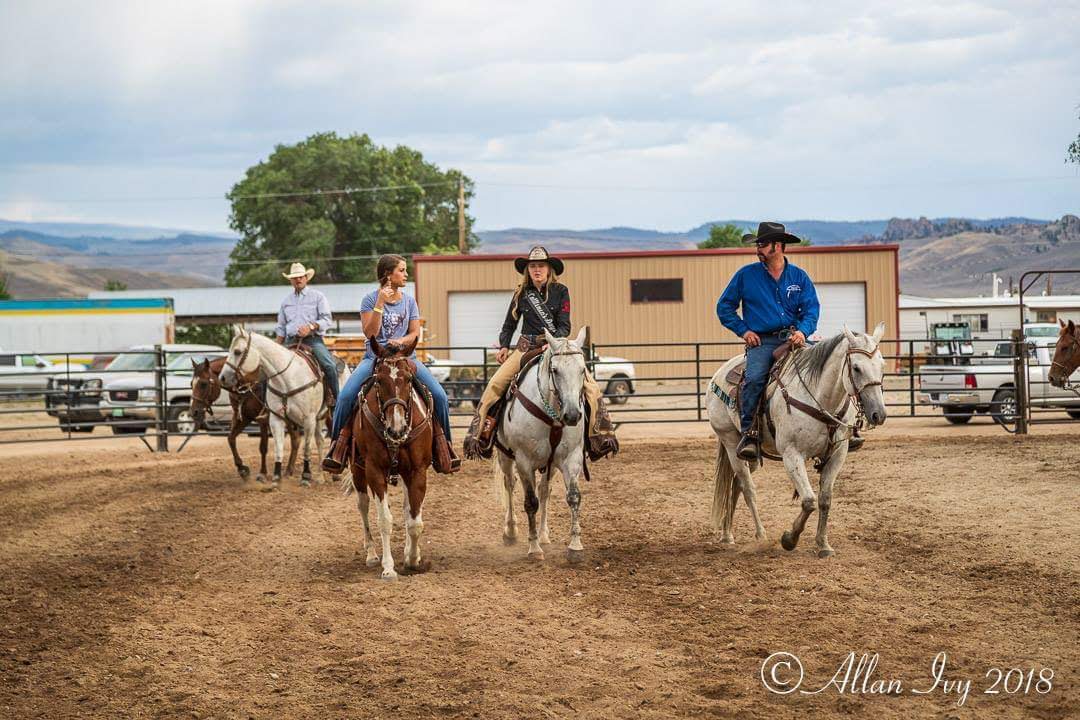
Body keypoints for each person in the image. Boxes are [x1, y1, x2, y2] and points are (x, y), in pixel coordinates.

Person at [716, 221, 863, 461]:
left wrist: (803, 332)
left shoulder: (799, 277)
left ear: (778, 246)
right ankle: (750, 433)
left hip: (796, 339)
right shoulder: (746, 276)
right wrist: (744, 331)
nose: (758, 248)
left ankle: (847, 426)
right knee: (753, 379)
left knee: (833, 367)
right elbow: (724, 308)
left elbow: (811, 310)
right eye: (758, 244)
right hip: (763, 342)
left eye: (762, 244)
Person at [462, 245, 619, 462]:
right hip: (526, 346)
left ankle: (599, 436)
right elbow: (509, 324)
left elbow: (565, 325)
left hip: (554, 347)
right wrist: (504, 346)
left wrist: (553, 343)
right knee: (496, 384)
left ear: (548, 269)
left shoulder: (561, 291)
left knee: (590, 387)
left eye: (541, 266)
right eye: (533, 266)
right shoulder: (521, 294)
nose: (537, 270)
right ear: (528, 270)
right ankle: (481, 435)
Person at [322, 254, 459, 473]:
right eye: (402, 270)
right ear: (388, 273)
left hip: (406, 358)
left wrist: (402, 341)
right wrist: (379, 304)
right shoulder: (369, 299)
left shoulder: (409, 301)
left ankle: (445, 449)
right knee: (346, 396)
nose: (406, 274)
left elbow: (415, 333)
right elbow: (370, 332)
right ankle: (337, 449)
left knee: (440, 396)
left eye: (405, 270)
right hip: (375, 358)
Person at [275, 262, 339, 407]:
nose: (298, 279)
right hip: (290, 341)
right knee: (271, 367)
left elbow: (327, 319)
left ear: (306, 278)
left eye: (301, 277)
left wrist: (311, 327)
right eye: (295, 277)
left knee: (329, 366)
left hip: (312, 340)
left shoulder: (317, 297)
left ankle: (336, 399)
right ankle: (269, 405)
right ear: (290, 280)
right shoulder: (286, 302)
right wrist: (276, 346)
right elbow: (281, 328)